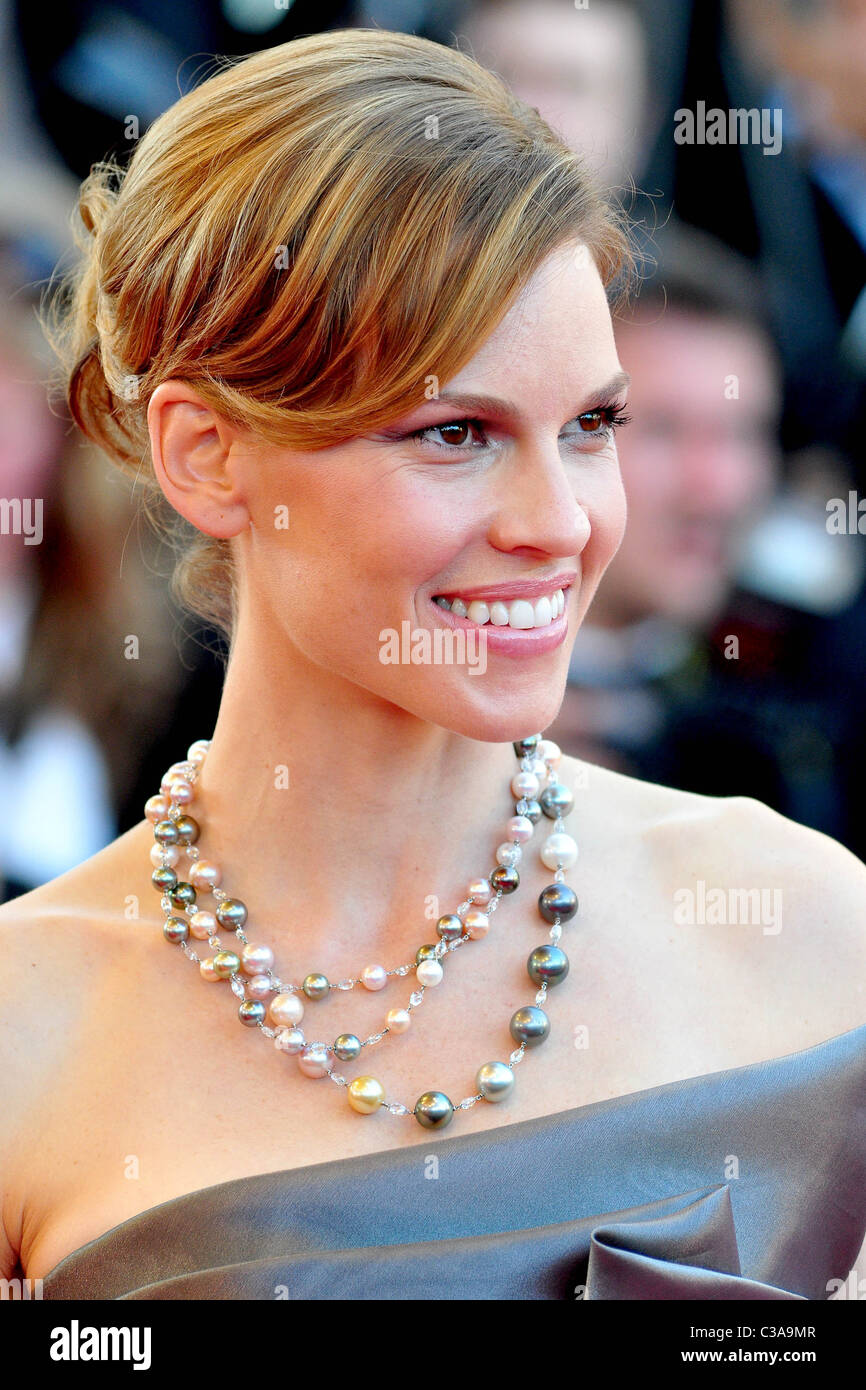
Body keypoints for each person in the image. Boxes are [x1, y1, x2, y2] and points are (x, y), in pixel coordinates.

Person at [0, 28, 864, 1302]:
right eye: (455, 431)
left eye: (589, 426)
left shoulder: (804, 927)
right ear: (204, 453)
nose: (559, 524)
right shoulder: (32, 1026)